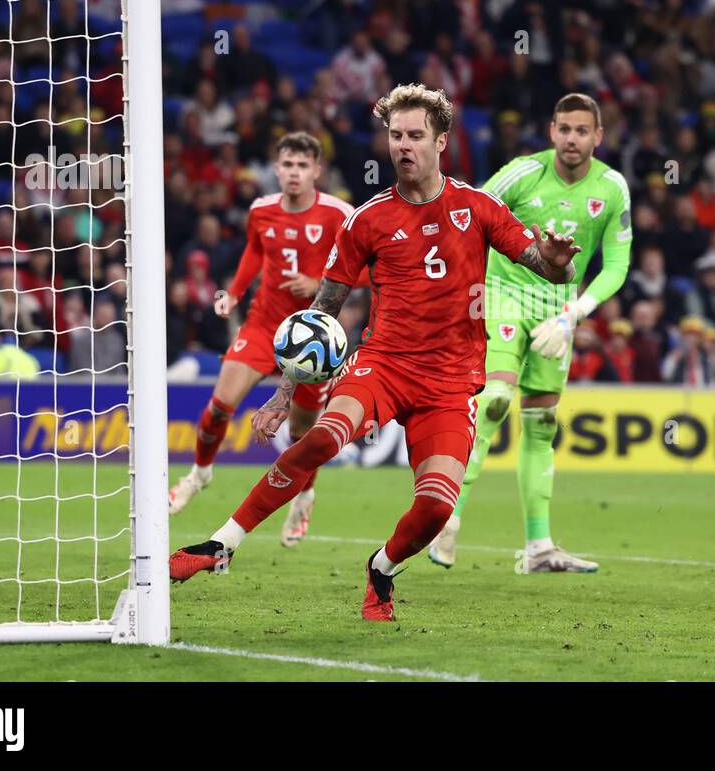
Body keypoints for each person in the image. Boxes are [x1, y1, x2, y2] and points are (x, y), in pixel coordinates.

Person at [169, 84, 580, 621]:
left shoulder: (478, 208)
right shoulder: (366, 220)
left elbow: (549, 267)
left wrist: (559, 261)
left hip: (451, 383)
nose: (403, 145)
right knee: (320, 437)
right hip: (383, 365)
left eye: (415, 136)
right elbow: (323, 312)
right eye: (395, 135)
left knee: (435, 507)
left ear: (441, 141)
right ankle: (220, 545)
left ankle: (382, 569)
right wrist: (283, 394)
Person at [428, 92, 632, 573]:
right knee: (495, 400)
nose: (572, 139)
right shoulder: (524, 172)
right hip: (501, 296)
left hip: (556, 312)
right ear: (551, 132)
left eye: (582, 131)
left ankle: (538, 547)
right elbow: (469, 214)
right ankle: (446, 522)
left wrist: (573, 314)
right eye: (564, 129)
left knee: (542, 427)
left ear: (598, 137)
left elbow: (618, 264)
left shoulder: (614, 188)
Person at [166, 133, 354, 552]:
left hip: (313, 336)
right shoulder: (261, 210)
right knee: (218, 405)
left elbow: (364, 266)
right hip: (264, 326)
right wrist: (233, 292)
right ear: (277, 167)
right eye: (287, 164)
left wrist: (316, 283)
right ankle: (199, 474)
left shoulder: (339, 214)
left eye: (303, 166)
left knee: (306, 433)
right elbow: (254, 251)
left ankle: (304, 497)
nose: (294, 173)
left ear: (317, 171)